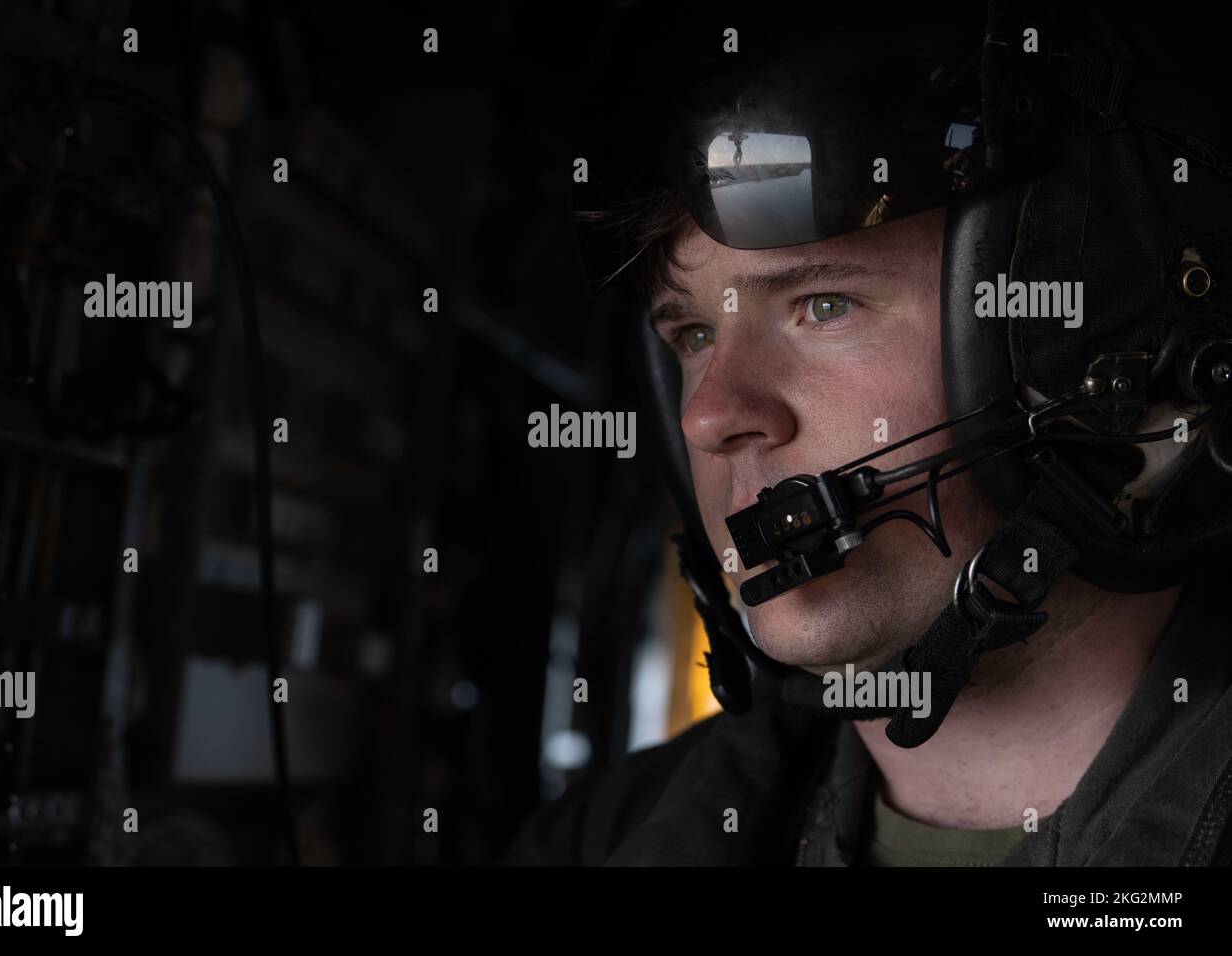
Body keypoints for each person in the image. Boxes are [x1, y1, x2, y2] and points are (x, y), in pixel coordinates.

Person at [504, 1, 1232, 866]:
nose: (711, 414)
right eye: (693, 336)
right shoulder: (596, 842)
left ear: (1106, 343)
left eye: (823, 306)